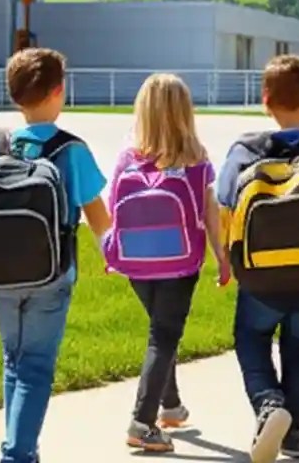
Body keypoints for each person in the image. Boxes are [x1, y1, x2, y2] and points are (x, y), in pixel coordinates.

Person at [0, 47, 112, 463]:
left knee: (14, 361)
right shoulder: (71, 150)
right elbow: (99, 218)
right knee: (35, 367)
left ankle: (21, 450)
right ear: (58, 92)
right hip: (51, 275)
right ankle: (16, 455)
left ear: (15, 96)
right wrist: (112, 253)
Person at [216, 55, 299, 462]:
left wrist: (225, 258)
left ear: (265, 99)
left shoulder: (243, 151)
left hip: (260, 278)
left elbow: (224, 205)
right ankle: (295, 433)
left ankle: (269, 404)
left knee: (250, 340)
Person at [104, 74, 229, 452]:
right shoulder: (196, 158)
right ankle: (142, 423)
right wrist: (222, 257)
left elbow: (113, 209)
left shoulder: (128, 157)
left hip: (136, 263)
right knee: (164, 335)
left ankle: (170, 406)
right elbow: (210, 213)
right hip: (179, 263)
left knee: (162, 331)